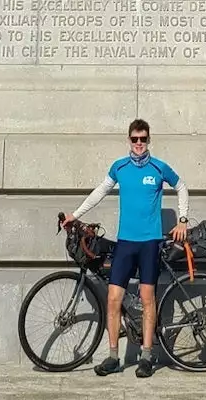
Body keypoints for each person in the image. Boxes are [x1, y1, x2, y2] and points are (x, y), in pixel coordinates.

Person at [65, 117, 188, 377]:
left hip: (150, 243)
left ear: (149, 140)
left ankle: (146, 355)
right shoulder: (119, 167)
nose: (139, 143)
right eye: (135, 139)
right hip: (126, 243)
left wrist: (183, 220)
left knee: (147, 299)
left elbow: (181, 187)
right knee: (113, 298)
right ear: (129, 140)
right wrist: (75, 215)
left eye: (143, 139)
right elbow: (100, 192)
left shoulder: (158, 167)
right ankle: (112, 357)